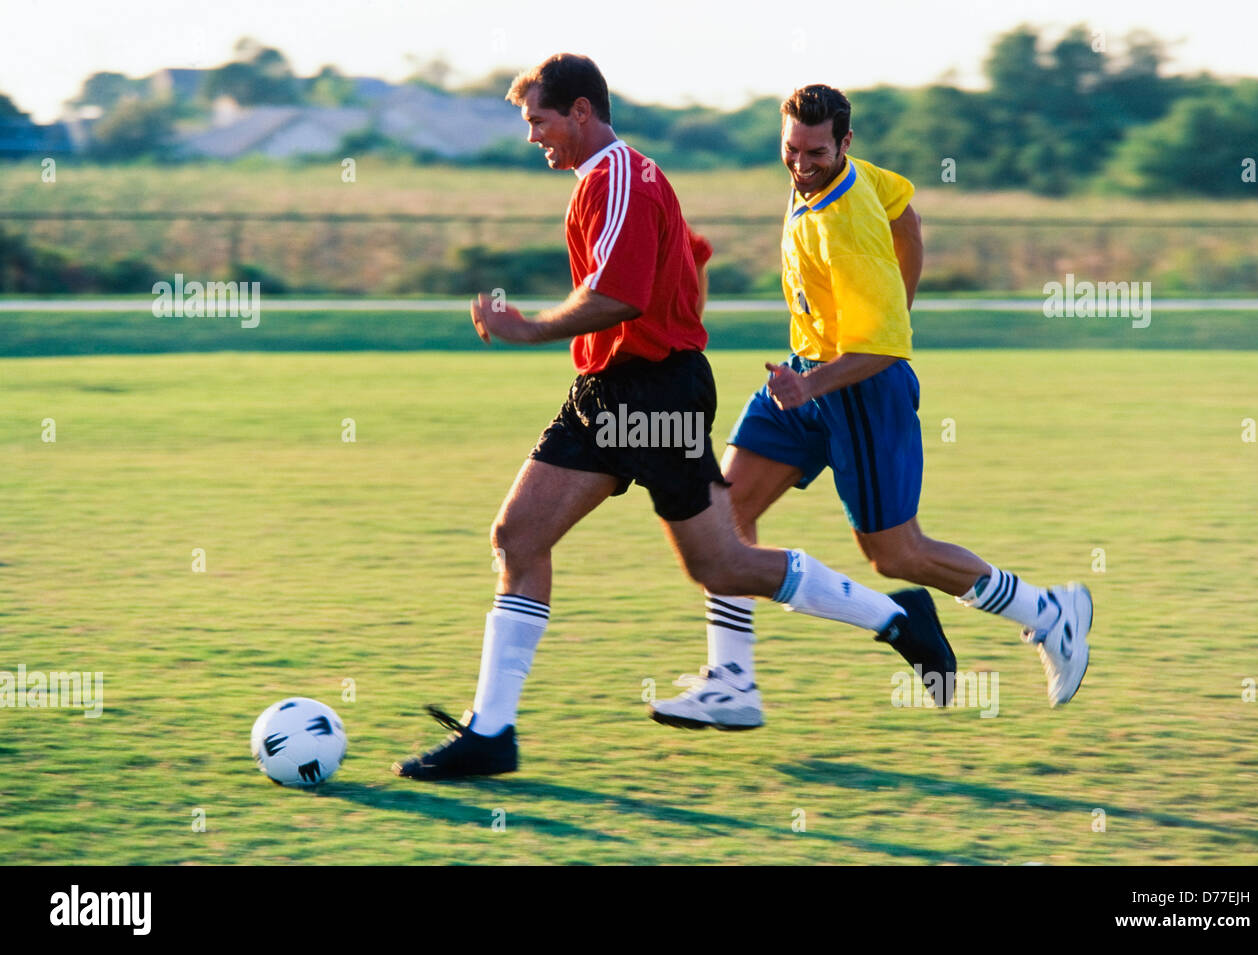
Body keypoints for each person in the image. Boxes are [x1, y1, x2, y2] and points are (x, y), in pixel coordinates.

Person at [393, 57, 954, 781]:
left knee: (720, 562)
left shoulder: (619, 175)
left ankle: (896, 619)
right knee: (517, 534)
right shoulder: (610, 182)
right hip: (608, 389)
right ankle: (492, 732)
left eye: (540, 120)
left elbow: (620, 296)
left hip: (655, 395)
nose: (533, 136)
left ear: (582, 111)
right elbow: (686, 255)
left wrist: (530, 326)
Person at [651, 84, 1091, 730]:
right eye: (791, 149)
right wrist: (893, 300)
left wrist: (874, 328)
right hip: (804, 376)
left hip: (859, 389)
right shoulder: (844, 177)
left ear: (845, 143)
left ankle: (1048, 611)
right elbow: (905, 207)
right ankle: (732, 681)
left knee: (896, 554)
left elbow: (884, 348)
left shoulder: (845, 224)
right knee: (725, 514)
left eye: (816, 152)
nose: (801, 163)